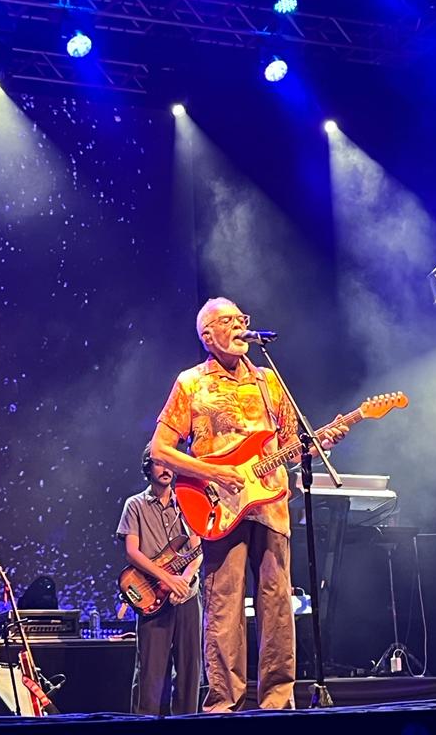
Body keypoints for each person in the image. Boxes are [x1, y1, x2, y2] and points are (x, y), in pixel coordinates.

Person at [149, 297, 348, 712]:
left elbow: (292, 450)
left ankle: (277, 702)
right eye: (229, 321)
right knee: (224, 603)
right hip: (217, 505)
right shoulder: (190, 383)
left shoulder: (268, 381)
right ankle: (224, 703)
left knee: (277, 603)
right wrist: (212, 473)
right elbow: (160, 450)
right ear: (208, 335)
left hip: (271, 503)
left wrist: (317, 444)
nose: (241, 326)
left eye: (243, 320)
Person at [116, 444, 202, 715]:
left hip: (186, 596)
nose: (166, 470)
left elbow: (199, 549)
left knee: (190, 671)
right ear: (148, 468)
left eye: (170, 464)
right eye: (159, 463)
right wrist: (167, 578)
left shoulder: (188, 503)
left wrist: (185, 581)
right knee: (150, 674)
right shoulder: (135, 505)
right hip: (152, 594)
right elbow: (132, 551)